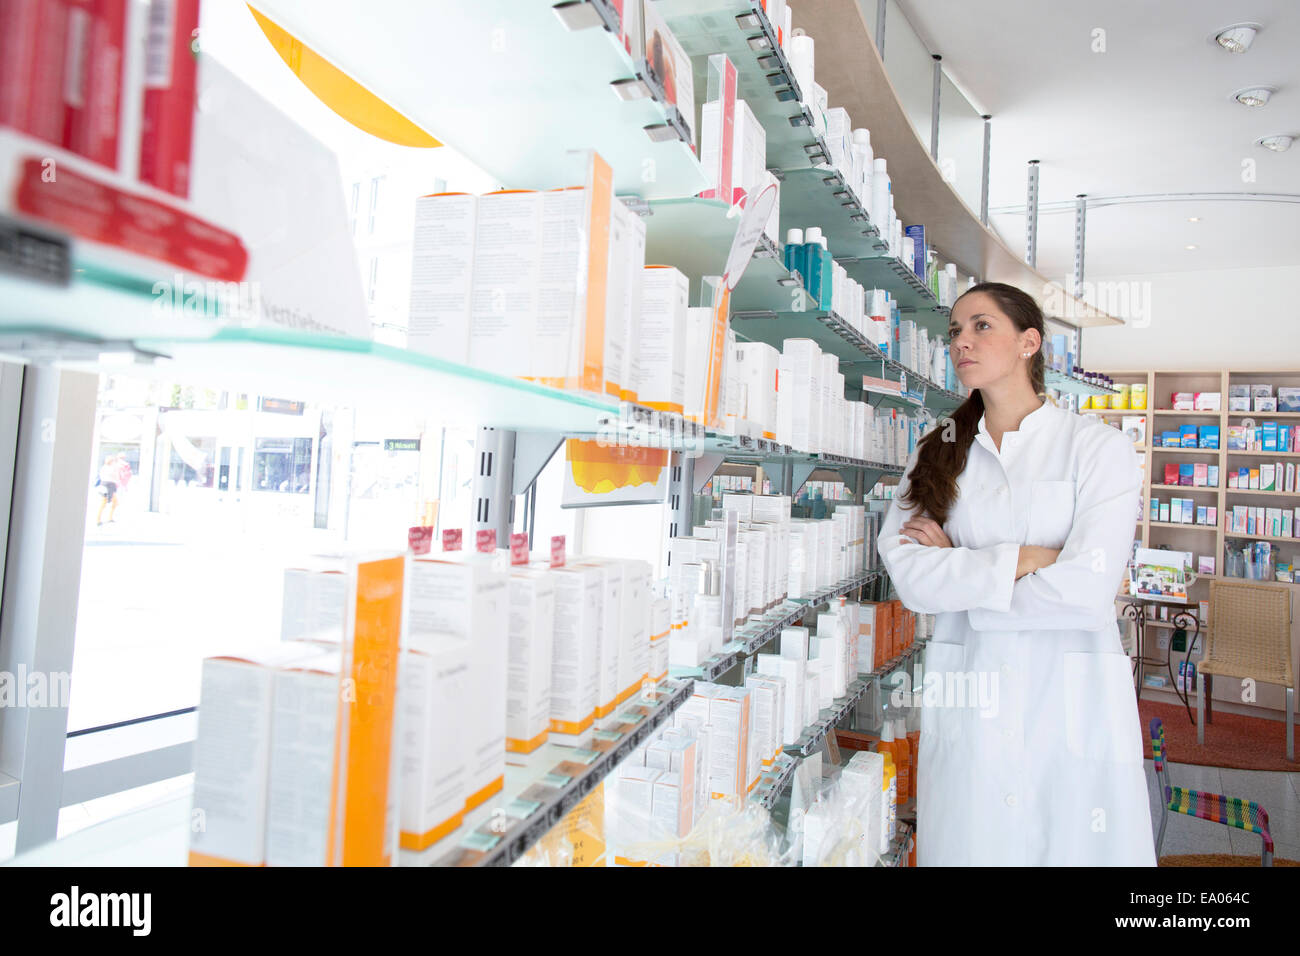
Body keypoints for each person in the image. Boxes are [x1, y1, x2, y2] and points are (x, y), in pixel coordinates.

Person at [877, 282, 1154, 866]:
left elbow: (1086, 592)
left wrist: (961, 566)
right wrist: (1030, 559)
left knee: (1073, 842)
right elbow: (911, 577)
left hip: (1070, 701)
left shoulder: (1097, 449)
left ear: (1029, 342)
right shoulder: (936, 451)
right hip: (971, 694)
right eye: (954, 331)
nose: (961, 342)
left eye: (981, 326)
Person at [95, 455, 119, 526]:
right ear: (111, 461)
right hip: (108, 486)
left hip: (106, 485)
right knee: (104, 503)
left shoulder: (104, 468)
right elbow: (114, 476)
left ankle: (108, 518)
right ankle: (99, 519)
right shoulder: (110, 468)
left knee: (112, 502)